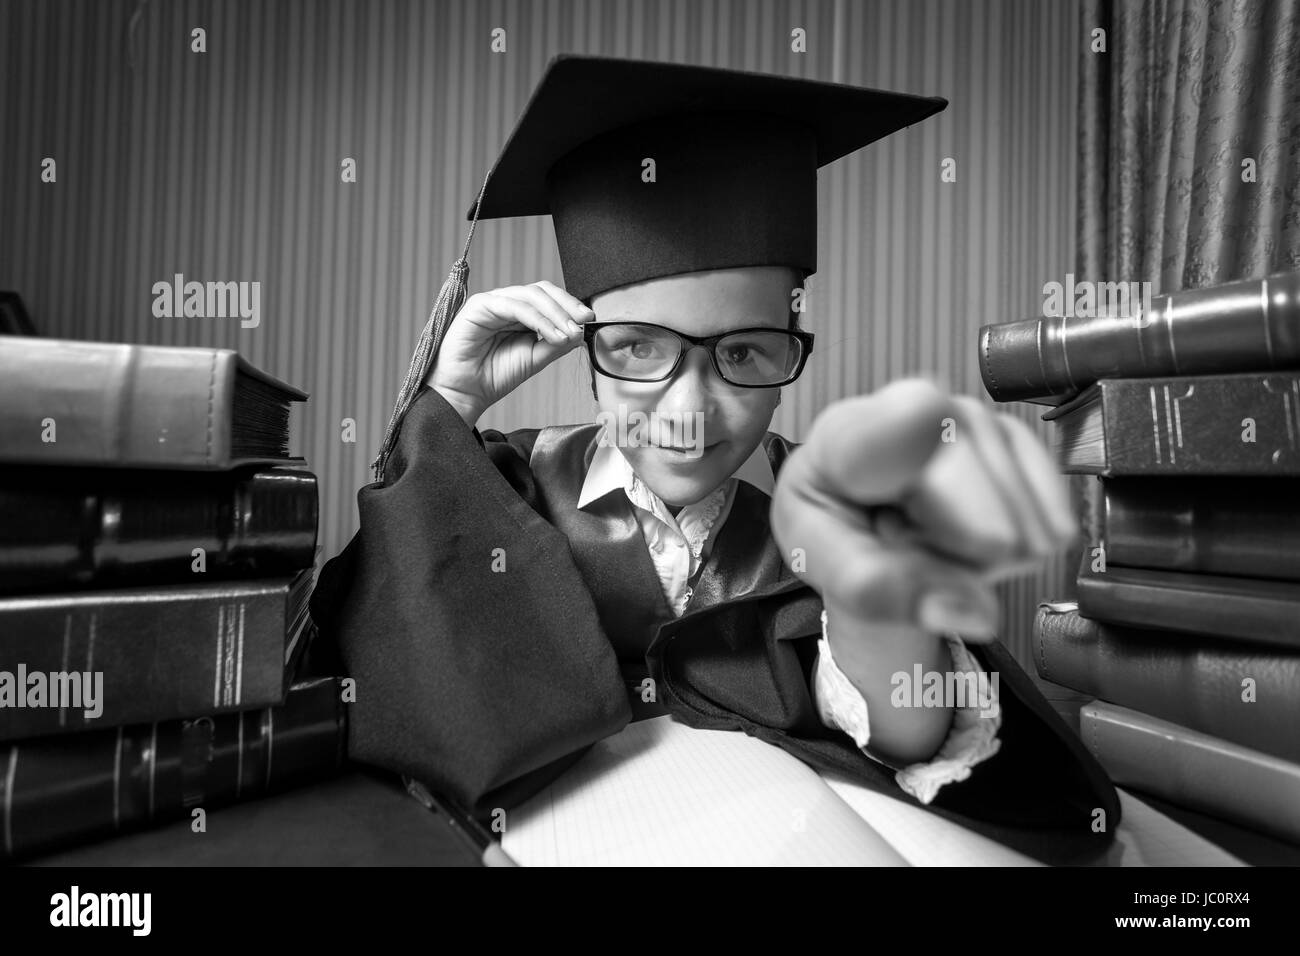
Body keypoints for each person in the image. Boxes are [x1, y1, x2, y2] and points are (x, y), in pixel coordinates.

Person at [309, 54, 1120, 864]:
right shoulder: (505, 488)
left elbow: (914, 736)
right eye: (636, 348)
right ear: (586, 351)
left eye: (745, 352)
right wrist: (449, 406)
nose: (688, 413)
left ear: (793, 344)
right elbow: (391, 663)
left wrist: (879, 609)